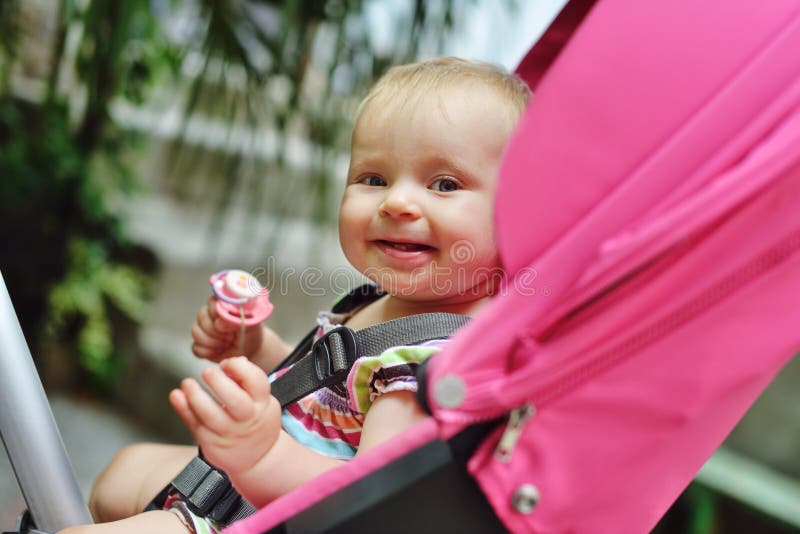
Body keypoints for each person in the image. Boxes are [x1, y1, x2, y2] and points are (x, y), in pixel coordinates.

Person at [60, 56, 531, 534]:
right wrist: (258, 350)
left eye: (444, 184)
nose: (397, 202)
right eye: (374, 179)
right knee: (122, 472)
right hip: (249, 488)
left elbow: (370, 501)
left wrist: (267, 456)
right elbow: (333, 403)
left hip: (275, 517)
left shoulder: (430, 362)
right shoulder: (378, 299)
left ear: (516, 210)